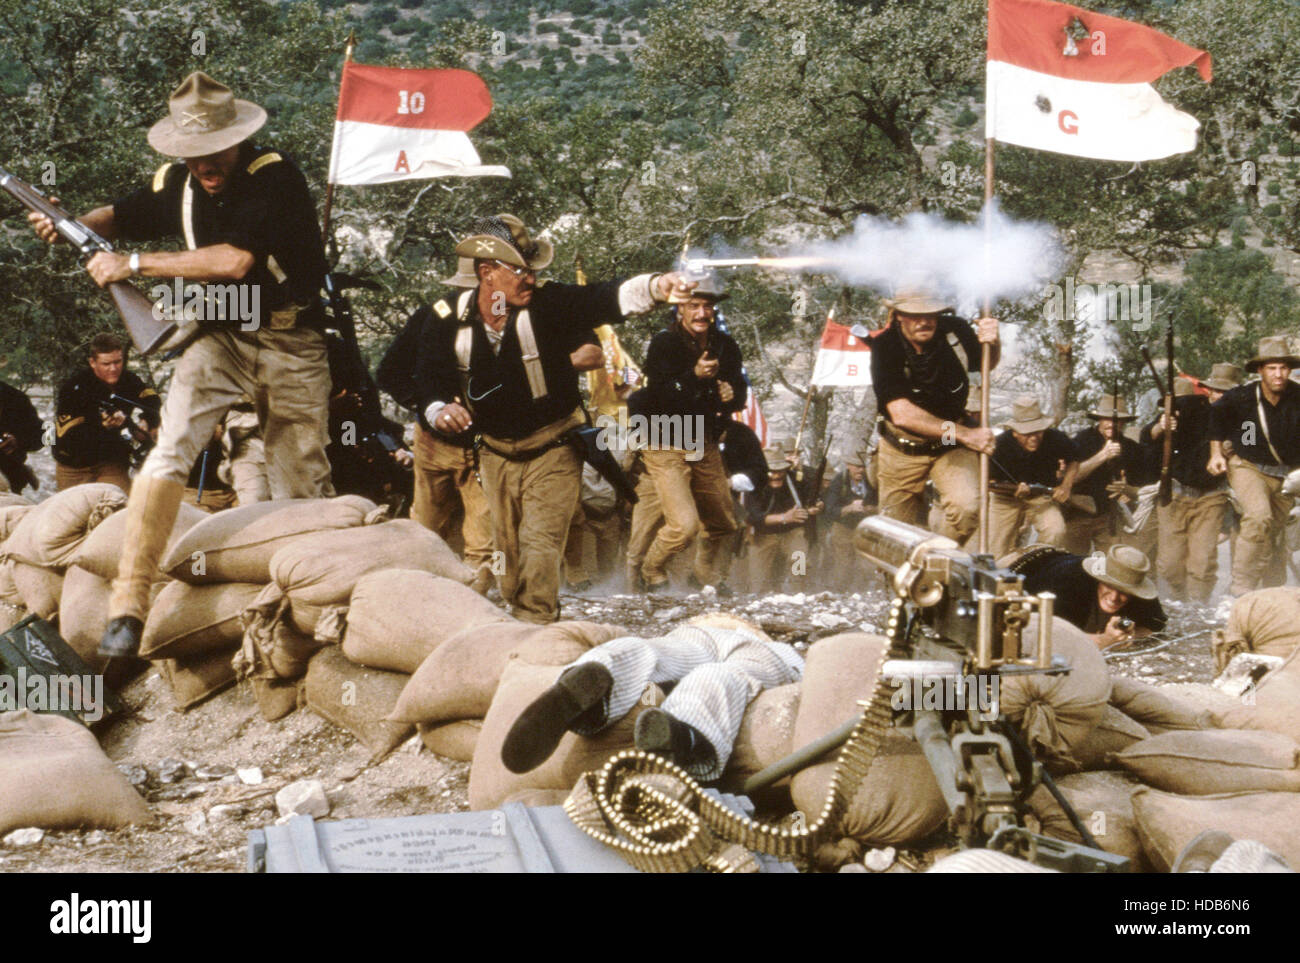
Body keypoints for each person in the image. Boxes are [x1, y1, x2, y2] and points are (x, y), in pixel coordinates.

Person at [30, 72, 334, 657]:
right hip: (218, 336)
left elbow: (233, 261)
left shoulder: (274, 177)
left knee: (301, 482)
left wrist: (133, 265)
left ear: (238, 139)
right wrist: (68, 224)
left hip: (289, 340)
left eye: (213, 150)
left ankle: (308, 609)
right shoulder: (178, 179)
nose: (204, 164)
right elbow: (122, 213)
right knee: (167, 455)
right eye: (192, 154)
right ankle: (128, 603)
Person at [410, 214, 690, 623]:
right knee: (506, 552)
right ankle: (514, 609)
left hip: (555, 446)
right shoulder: (445, 316)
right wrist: (439, 408)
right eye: (520, 271)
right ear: (487, 273)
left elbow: (602, 298)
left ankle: (534, 625)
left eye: (532, 271)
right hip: (493, 453)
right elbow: (426, 377)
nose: (530, 280)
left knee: (541, 543)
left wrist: (656, 286)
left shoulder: (551, 303)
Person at [499, 620, 803, 780]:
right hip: (751, 648)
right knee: (719, 676)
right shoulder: (776, 644)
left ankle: (588, 690)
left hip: (700, 634)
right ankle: (683, 737)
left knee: (645, 652)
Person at [629, 275, 746, 593]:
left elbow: (740, 392)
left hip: (702, 440)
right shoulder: (664, 343)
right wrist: (693, 377)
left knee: (724, 524)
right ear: (680, 308)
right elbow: (658, 396)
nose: (701, 313)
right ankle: (651, 572)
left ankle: (704, 576)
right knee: (684, 526)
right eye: (694, 305)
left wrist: (730, 393)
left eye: (707, 306)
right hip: (664, 438)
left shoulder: (725, 344)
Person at [869, 287, 1000, 545]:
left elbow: (985, 363)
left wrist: (993, 342)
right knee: (893, 535)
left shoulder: (956, 332)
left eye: (931, 313)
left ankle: (937, 557)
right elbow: (902, 414)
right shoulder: (885, 347)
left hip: (948, 445)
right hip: (902, 447)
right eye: (915, 314)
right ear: (898, 316)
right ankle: (899, 578)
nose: (924, 321)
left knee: (967, 509)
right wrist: (966, 435)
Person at [1209, 337, 1300, 596]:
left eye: (1283, 368)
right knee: (1259, 517)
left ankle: (1269, 593)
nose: (1278, 374)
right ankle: (1240, 590)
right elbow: (1215, 416)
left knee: (1273, 535)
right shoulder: (1242, 397)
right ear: (1260, 370)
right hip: (1248, 467)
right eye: (1272, 368)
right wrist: (1216, 453)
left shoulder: (1297, 396)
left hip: (1286, 476)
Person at [1141, 365, 1241, 603]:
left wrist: (1235, 444)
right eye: (1216, 391)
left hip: (1211, 496)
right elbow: (1147, 435)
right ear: (1207, 391)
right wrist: (1162, 426)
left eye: (1226, 393)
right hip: (1175, 495)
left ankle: (1197, 609)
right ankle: (1179, 600)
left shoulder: (1244, 417)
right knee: (1170, 565)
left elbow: (1251, 437)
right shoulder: (1190, 408)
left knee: (1202, 562)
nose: (1220, 397)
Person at [52, 333, 160, 493]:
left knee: (120, 507)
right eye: (106, 364)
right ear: (92, 362)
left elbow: (152, 399)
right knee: (74, 513)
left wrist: (146, 420)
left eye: (118, 362)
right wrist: (101, 425)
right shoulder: (74, 388)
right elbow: (66, 435)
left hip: (110, 461)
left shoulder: (129, 380)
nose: (113, 368)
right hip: (74, 466)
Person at [1008, 544, 1167, 648]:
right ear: (1098, 578)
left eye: (1124, 592)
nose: (1114, 597)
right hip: (1017, 566)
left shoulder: (1134, 580)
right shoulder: (1068, 584)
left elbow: (1155, 624)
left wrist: (1129, 634)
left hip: (1061, 557)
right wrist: (1104, 641)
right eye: (1109, 586)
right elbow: (1048, 638)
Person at [987, 396, 1078, 561]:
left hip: (1040, 496)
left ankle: (1036, 563)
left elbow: (1074, 460)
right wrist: (1013, 488)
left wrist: (1065, 486)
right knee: (995, 549)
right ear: (1014, 432)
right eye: (1027, 433)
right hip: (1005, 498)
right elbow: (988, 483)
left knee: (1055, 530)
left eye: (1038, 431)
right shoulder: (999, 445)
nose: (1034, 437)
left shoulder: (1056, 438)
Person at [1066, 394, 1151, 556]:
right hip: (1077, 515)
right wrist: (1102, 455)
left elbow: (1142, 487)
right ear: (1099, 419)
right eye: (1107, 419)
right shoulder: (1082, 440)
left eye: (1117, 420)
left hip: (1109, 516)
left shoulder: (1131, 448)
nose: (1112, 424)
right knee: (1072, 563)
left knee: (1114, 563)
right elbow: (1070, 478)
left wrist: (1128, 490)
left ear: (1124, 422)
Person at [745, 448, 821, 592]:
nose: (776, 475)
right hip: (764, 534)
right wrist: (785, 517)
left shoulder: (795, 478)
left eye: (780, 471)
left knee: (800, 560)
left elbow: (813, 489)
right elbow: (754, 517)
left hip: (792, 532)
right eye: (772, 471)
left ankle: (798, 593)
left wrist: (817, 504)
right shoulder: (754, 486)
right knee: (758, 581)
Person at [824, 451, 877, 591]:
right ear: (848, 465)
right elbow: (830, 510)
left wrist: (871, 509)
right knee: (843, 565)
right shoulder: (839, 481)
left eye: (862, 467)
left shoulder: (871, 480)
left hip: (866, 528)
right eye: (856, 466)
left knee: (866, 565)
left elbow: (881, 503)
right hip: (843, 527)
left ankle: (860, 593)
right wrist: (849, 508)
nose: (860, 470)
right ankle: (838, 592)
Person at [0, 379, 43, 495]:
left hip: (9, 480)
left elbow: (43, 435)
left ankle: (24, 471)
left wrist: (18, 441)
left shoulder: (15, 399)